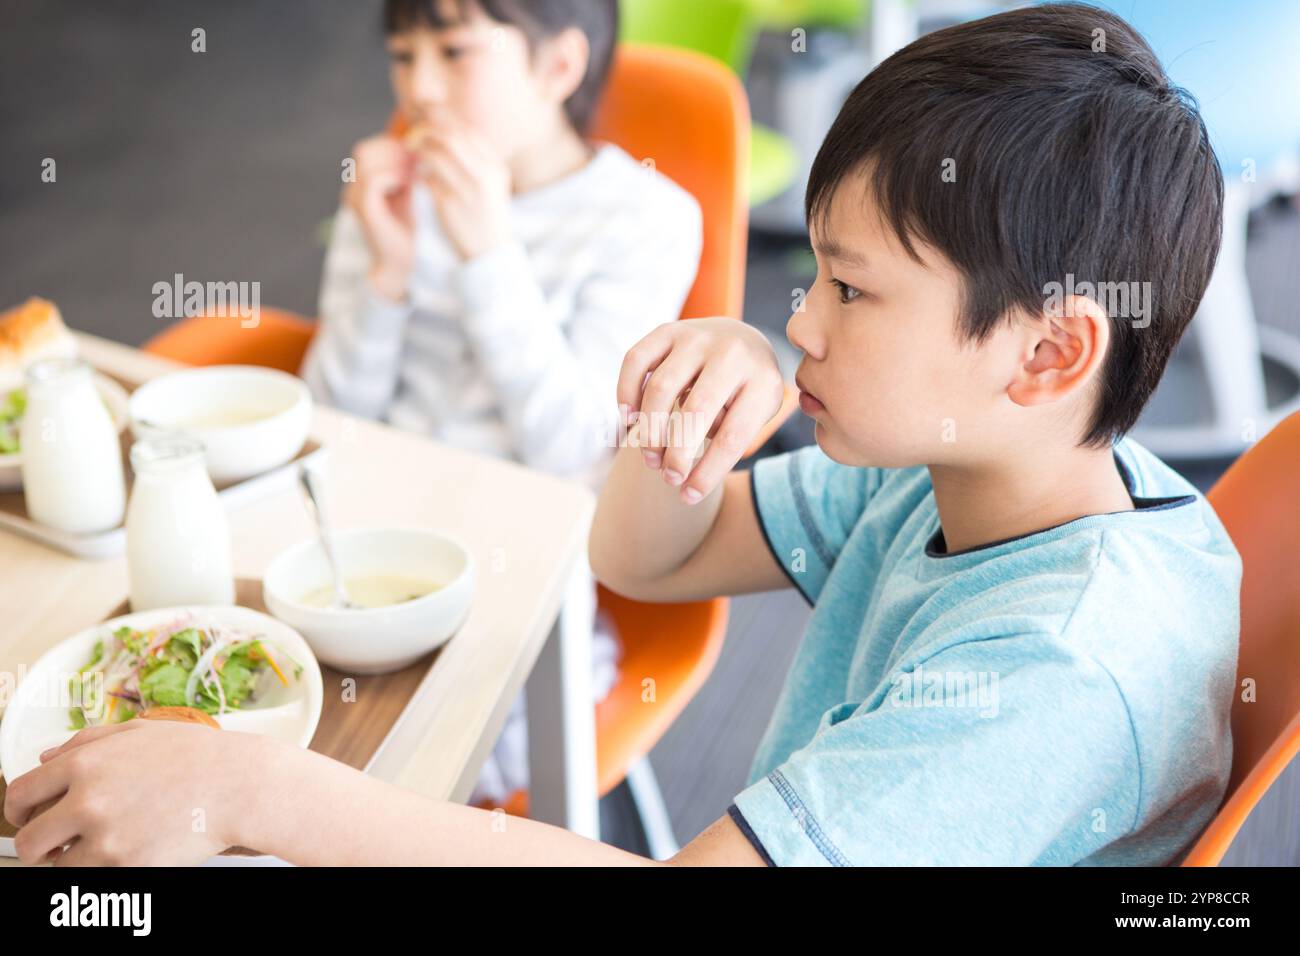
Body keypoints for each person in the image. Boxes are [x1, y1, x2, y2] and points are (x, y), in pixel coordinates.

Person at [6, 2, 1238, 866]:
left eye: (849, 291)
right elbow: (645, 558)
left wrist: (253, 789)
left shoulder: (1055, 675)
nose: (796, 319)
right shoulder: (965, 472)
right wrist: (683, 400)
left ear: (1050, 351)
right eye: (809, 274)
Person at [296, 0, 703, 808]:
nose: (421, 89)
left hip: (518, 575)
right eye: (404, 56)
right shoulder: (394, 189)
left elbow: (572, 449)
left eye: (453, 52)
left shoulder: (644, 217)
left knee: (370, 796)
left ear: (557, 68)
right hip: (361, 542)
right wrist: (385, 277)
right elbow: (327, 419)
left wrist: (488, 254)